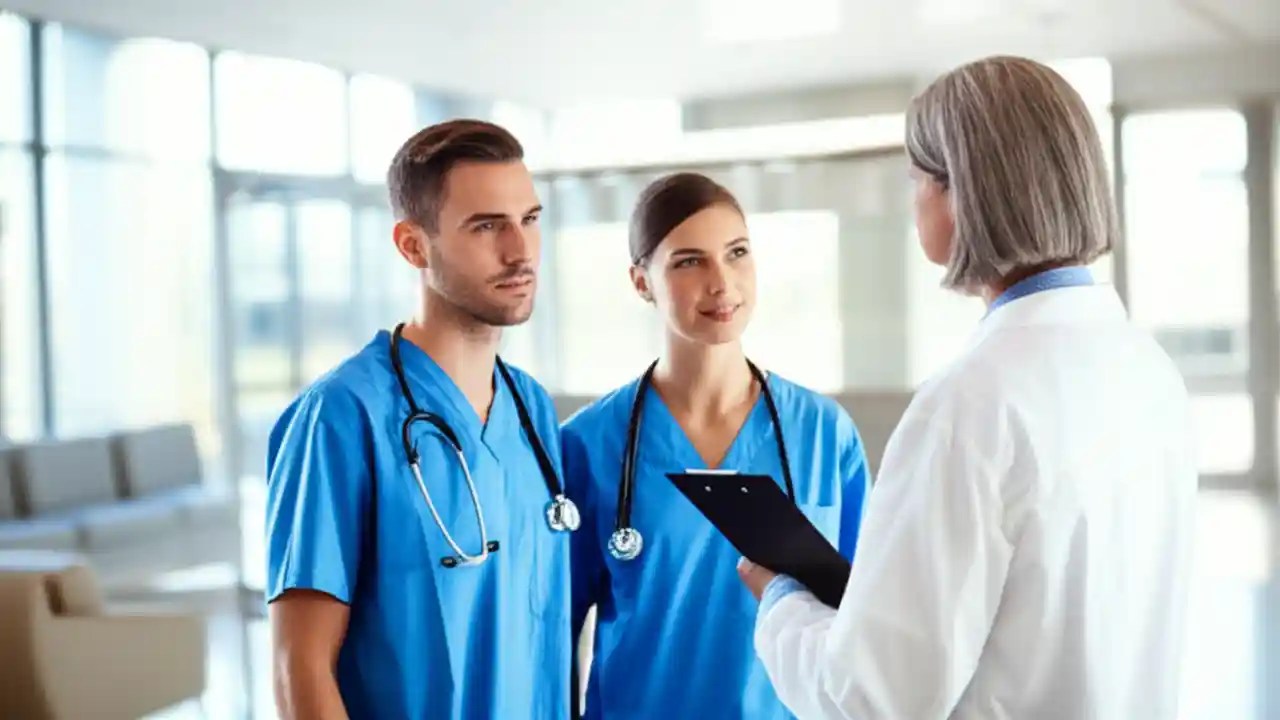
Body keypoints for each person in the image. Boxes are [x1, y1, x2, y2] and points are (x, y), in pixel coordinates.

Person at [738, 55, 1199, 719]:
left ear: (962, 193)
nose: (913, 198)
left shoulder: (970, 404)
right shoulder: (1148, 367)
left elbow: (871, 700)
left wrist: (783, 602)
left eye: (916, 176)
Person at [264, 119, 578, 719]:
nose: (520, 251)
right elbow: (297, 667)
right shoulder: (342, 415)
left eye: (530, 219)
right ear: (413, 245)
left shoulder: (531, 408)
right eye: (487, 227)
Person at [563, 171, 873, 719]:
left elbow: (864, 622)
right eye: (689, 261)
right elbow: (551, 633)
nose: (722, 282)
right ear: (641, 282)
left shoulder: (826, 434)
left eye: (736, 253)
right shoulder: (589, 446)